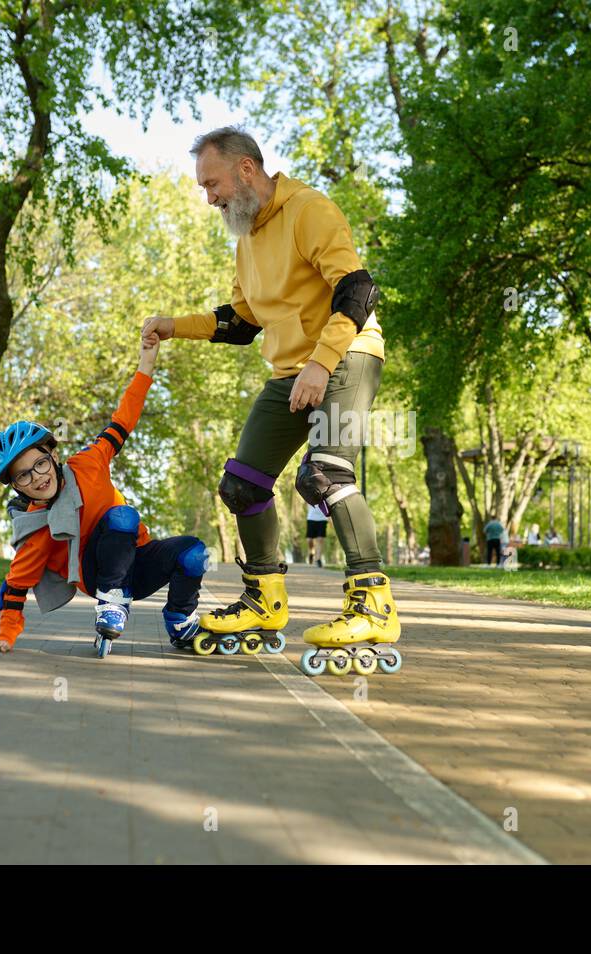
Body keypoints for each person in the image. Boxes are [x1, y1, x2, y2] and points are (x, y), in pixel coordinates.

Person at [141, 127, 400, 673]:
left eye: (211, 184)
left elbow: (358, 290)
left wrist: (320, 363)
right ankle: (263, 599)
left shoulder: (310, 209)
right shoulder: (246, 240)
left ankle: (373, 604)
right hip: (291, 370)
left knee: (325, 474)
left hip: (348, 353)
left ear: (245, 170)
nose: (208, 197)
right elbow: (240, 323)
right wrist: (172, 326)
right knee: (243, 484)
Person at [0, 329, 210, 659]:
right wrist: (6, 634)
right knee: (121, 516)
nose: (36, 478)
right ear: (16, 487)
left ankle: (180, 621)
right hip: (98, 574)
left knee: (194, 553)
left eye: (39, 464)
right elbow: (14, 586)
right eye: (23, 476)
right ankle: (111, 599)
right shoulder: (38, 527)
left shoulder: (88, 463)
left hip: (138, 560)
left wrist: (147, 362)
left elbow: (124, 419)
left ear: (53, 456)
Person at [306, 502, 329, 567]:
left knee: (320, 539)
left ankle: (318, 559)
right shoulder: (310, 493)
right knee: (309, 540)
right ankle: (311, 552)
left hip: (322, 519)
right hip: (311, 518)